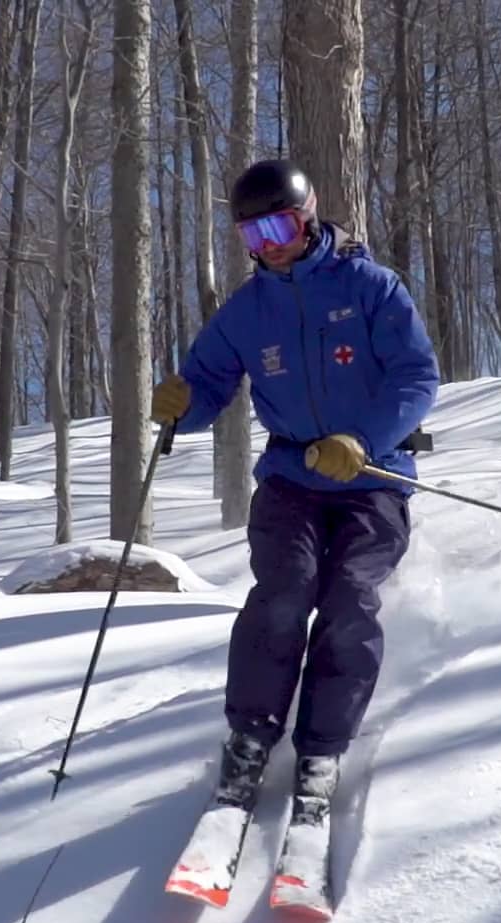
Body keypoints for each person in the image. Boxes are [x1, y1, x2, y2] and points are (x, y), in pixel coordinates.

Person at [150, 159, 440, 813]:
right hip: (290, 481)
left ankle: (322, 750)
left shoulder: (371, 287)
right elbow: (207, 384)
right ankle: (249, 740)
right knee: (281, 596)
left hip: (372, 478)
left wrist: (362, 439)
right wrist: (180, 403)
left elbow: (416, 376)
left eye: (278, 226)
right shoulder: (248, 312)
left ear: (308, 217)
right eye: (253, 236)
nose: (269, 244)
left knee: (349, 600)